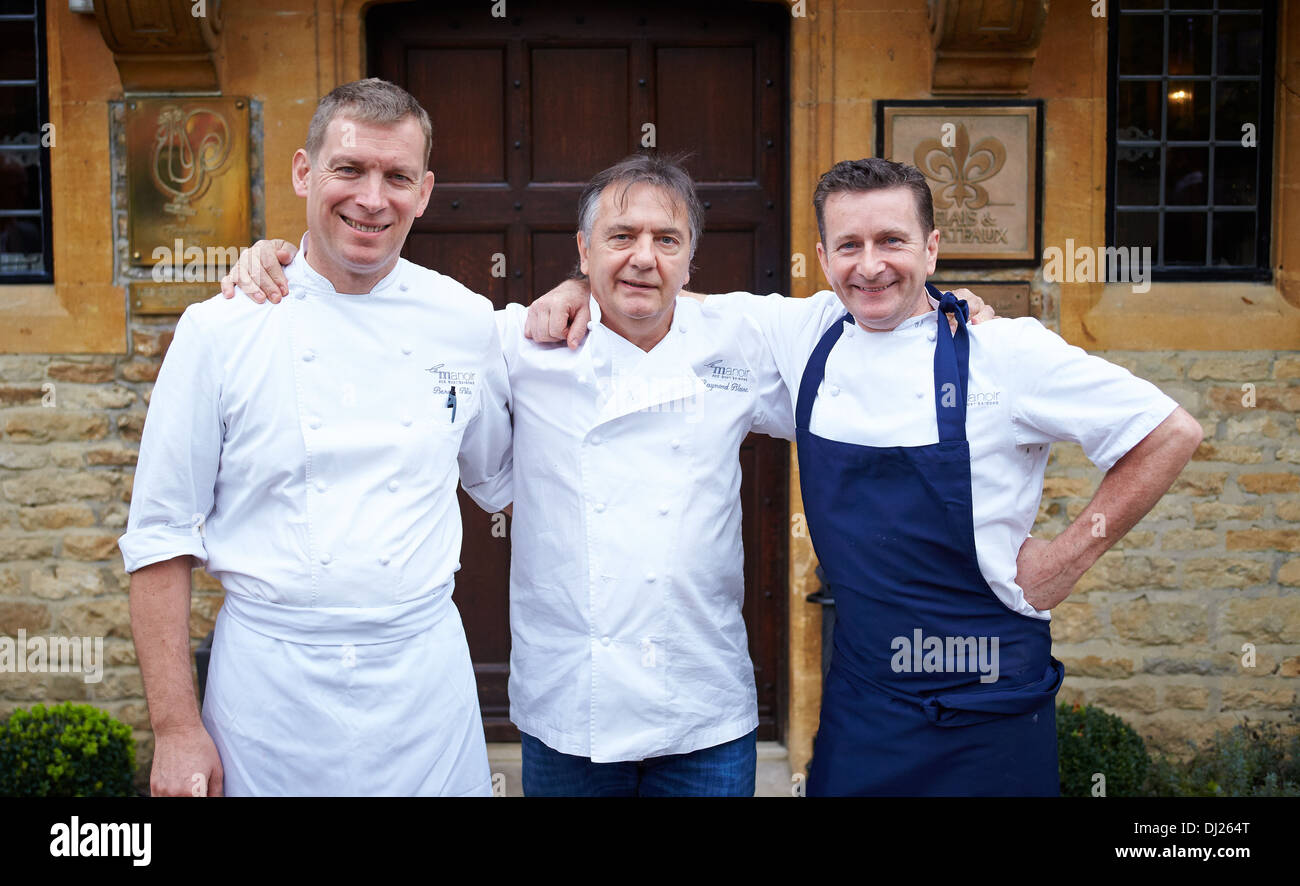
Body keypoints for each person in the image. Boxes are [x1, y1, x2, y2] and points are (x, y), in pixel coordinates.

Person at [222, 154, 996, 795]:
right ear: (583, 253)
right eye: (620, 236)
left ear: (692, 257)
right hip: (569, 709)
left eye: (666, 239)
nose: (642, 257)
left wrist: (950, 306)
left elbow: (877, 315)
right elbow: (383, 324)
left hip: (705, 705)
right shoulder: (516, 343)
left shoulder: (751, 331)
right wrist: (281, 262)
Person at [526, 157, 1203, 796]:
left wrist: (1064, 562)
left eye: (892, 241)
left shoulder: (1006, 351)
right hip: (866, 701)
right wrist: (580, 284)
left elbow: (1168, 433)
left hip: (990, 695)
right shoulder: (802, 334)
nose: (871, 266)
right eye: (849, 246)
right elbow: (657, 287)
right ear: (822, 259)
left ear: (932, 248)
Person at [119, 79, 512, 797]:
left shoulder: (465, 319)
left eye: (396, 177)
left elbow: (503, 471)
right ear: (304, 172)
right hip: (269, 696)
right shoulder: (220, 329)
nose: (372, 198)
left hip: (423, 691)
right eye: (350, 169)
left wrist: (585, 293)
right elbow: (160, 537)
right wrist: (176, 729)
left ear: (423, 193)